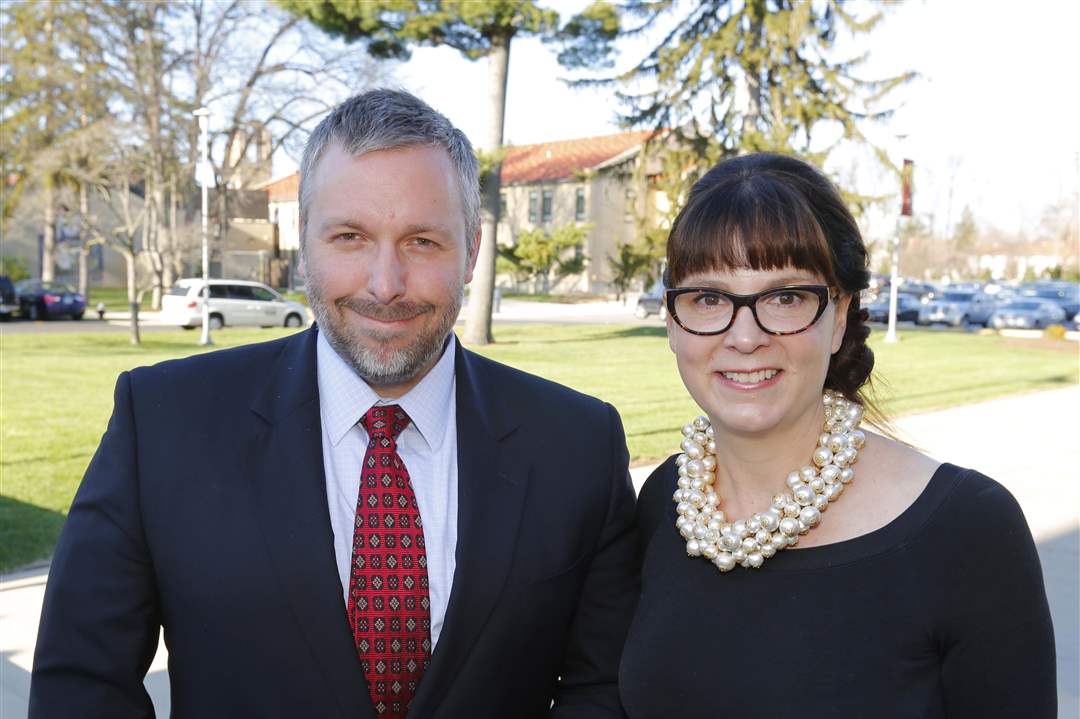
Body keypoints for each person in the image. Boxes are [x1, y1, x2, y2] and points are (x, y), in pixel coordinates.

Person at [31, 89, 639, 718]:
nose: (385, 284)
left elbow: (602, 686)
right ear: (304, 244)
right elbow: (82, 682)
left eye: (423, 241)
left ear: (473, 251)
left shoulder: (578, 443)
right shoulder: (162, 422)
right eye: (350, 236)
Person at [619, 153, 1056, 718]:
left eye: (785, 298)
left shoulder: (966, 529)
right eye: (708, 299)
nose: (745, 336)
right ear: (673, 324)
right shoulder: (666, 502)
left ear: (840, 316)